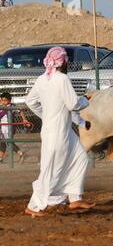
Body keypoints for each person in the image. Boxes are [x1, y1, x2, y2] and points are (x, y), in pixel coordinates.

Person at [24, 47, 95, 217]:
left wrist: (46, 116)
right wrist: (86, 99)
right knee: (51, 170)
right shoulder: (62, 79)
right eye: (66, 60)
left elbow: (30, 101)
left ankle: (75, 197)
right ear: (62, 62)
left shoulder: (42, 79)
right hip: (56, 133)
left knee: (80, 158)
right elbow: (73, 105)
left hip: (61, 131)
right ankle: (33, 206)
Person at [0, 92, 31, 164]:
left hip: (9, 127)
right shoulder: (1, 106)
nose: (3, 102)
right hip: (2, 127)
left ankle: (21, 153)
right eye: (2, 100)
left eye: (5, 100)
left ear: (9, 100)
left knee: (9, 142)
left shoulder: (12, 106)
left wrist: (24, 119)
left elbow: (20, 110)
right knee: (2, 142)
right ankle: (0, 158)